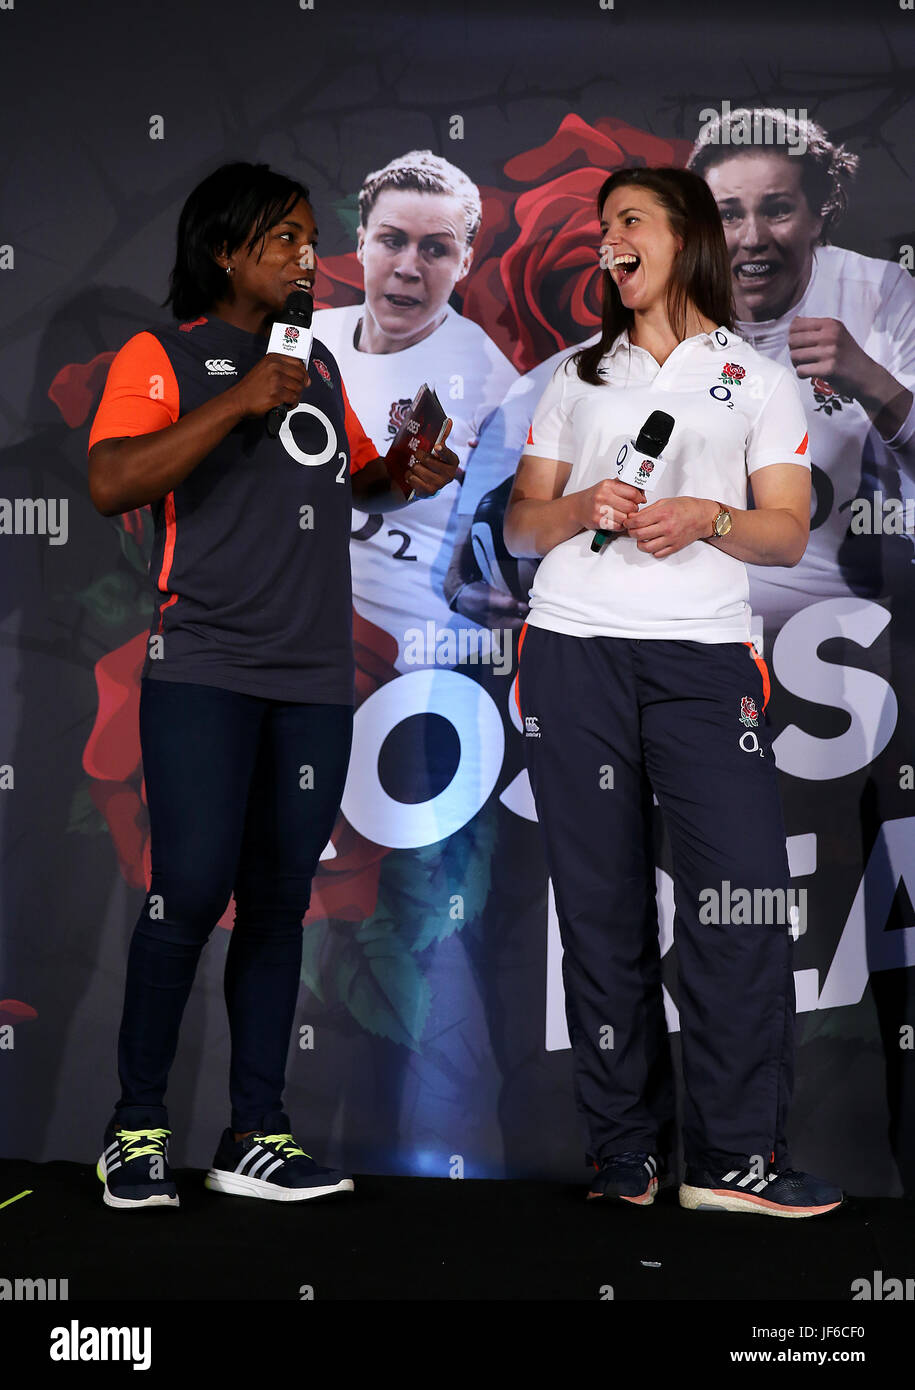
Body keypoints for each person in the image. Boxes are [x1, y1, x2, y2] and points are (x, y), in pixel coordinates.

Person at [87, 161, 458, 1209]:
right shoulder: (163, 353)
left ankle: (258, 1130)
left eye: (308, 239)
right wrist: (239, 397)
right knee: (191, 888)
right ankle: (136, 1128)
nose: (308, 258)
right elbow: (114, 477)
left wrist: (399, 473)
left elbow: (331, 485)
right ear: (225, 251)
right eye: (286, 240)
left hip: (311, 677)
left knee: (282, 902)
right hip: (204, 664)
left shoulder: (318, 371)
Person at [505, 165, 844, 1216]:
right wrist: (579, 510)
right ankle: (625, 1154)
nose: (609, 239)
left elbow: (785, 528)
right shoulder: (575, 375)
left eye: (630, 221)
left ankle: (737, 1157)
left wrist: (711, 518)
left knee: (737, 907)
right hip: (574, 650)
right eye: (603, 225)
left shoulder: (756, 375)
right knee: (600, 914)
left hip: (702, 658)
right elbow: (521, 522)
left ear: (684, 236)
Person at [687, 109, 915, 639]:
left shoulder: (880, 293)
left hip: (854, 629)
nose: (752, 238)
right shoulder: (670, 308)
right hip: (701, 629)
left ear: (820, 214)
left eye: (778, 209)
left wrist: (867, 378)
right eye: (727, 214)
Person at [314, 149, 517, 670]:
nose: (408, 267)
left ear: (465, 262)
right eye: (391, 240)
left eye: (435, 249)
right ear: (361, 243)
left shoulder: (493, 388)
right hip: (307, 649)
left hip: (423, 666)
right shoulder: (307, 343)